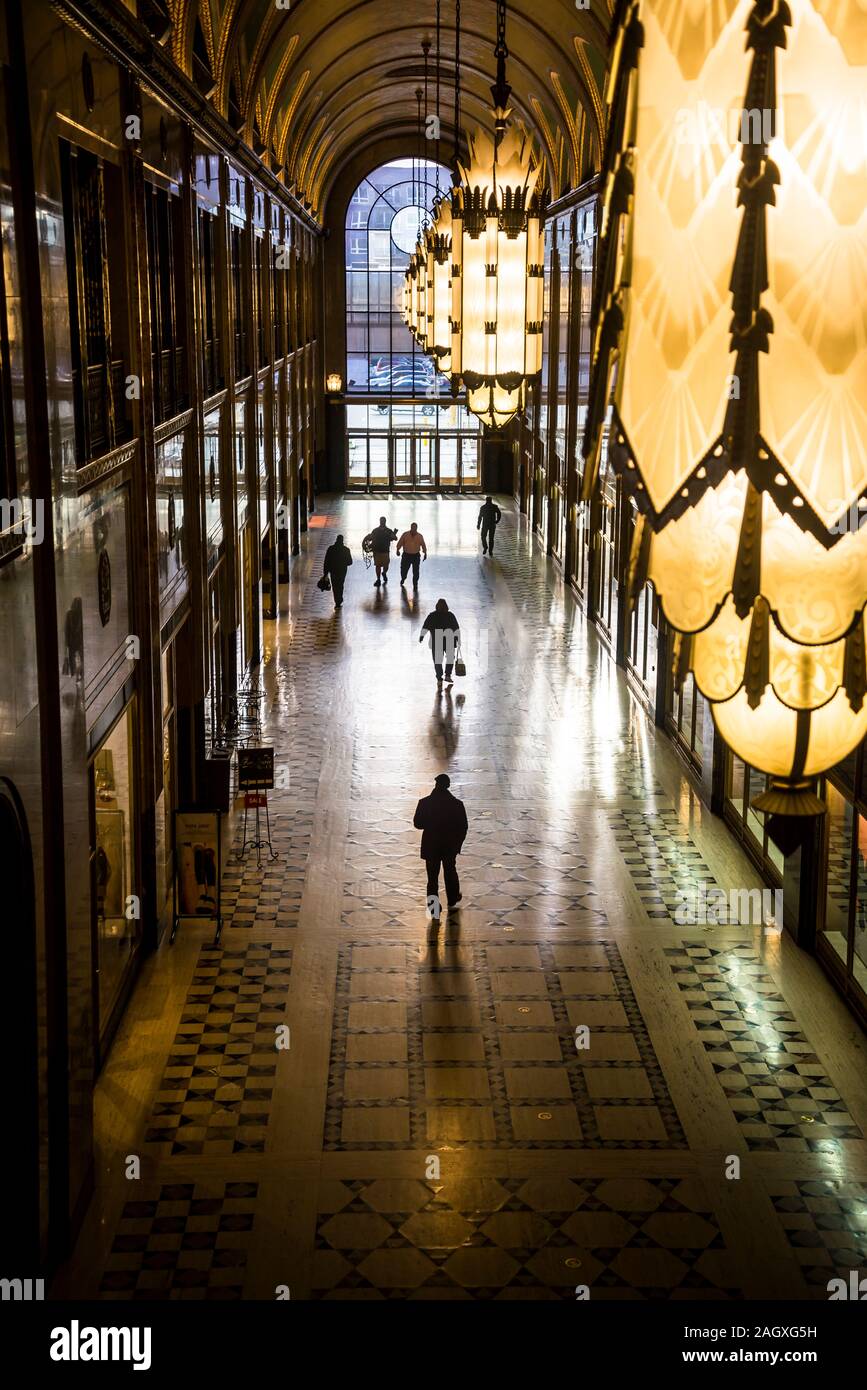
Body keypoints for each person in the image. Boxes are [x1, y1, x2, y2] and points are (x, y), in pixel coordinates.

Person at [413, 773, 468, 917]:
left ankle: (433, 908)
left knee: (432, 879)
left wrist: (430, 822)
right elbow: (463, 827)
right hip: (449, 846)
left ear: (436, 784)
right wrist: (458, 844)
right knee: (450, 872)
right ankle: (453, 897)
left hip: (431, 846)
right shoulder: (456, 804)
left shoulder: (424, 803)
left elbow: (418, 823)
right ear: (448, 786)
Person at [420, 598, 460, 687]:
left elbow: (425, 626)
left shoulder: (432, 615)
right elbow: (456, 628)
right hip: (449, 640)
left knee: (437, 660)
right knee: (450, 658)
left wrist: (421, 636)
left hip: (437, 640)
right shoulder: (450, 615)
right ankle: (448, 675)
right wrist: (458, 639)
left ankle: (439, 678)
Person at [322, 534, 353, 608]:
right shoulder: (346, 550)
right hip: (342, 571)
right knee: (340, 584)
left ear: (336, 540)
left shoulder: (331, 549)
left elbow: (326, 561)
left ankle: (337, 600)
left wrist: (325, 573)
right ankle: (339, 598)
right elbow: (350, 562)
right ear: (342, 541)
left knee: (335, 585)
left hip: (333, 571)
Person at [366, 516, 397, 587]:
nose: (382, 522)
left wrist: (393, 536)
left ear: (385, 522)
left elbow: (395, 538)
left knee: (386, 566)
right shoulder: (375, 530)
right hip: (377, 551)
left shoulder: (389, 531)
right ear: (380, 521)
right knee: (378, 566)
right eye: (381, 521)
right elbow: (370, 538)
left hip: (385, 551)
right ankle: (378, 579)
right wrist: (368, 539)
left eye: (383, 521)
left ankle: (384, 573)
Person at [397, 521, 428, 588]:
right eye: (412, 528)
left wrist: (425, 553)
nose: (414, 529)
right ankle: (403, 578)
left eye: (415, 528)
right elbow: (400, 542)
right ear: (411, 527)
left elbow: (423, 545)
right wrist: (398, 550)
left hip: (416, 555)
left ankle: (415, 583)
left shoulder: (420, 536)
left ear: (416, 528)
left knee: (416, 571)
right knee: (404, 569)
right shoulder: (405, 534)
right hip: (406, 555)